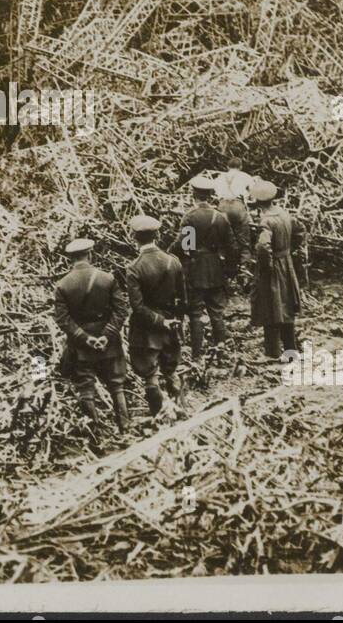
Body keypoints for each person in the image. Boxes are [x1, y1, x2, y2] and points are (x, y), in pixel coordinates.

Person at [53, 237, 130, 439]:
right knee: (116, 385)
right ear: (90, 254)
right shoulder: (108, 278)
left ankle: (96, 436)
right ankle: (125, 429)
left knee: (86, 388)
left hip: (81, 347)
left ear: (70, 259)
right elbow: (121, 311)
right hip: (110, 343)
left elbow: (63, 320)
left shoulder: (62, 285)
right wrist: (106, 335)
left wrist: (85, 338)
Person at [123, 214, 187, 417]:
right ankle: (181, 410)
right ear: (157, 235)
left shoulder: (134, 268)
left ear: (134, 237)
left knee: (150, 375)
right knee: (172, 371)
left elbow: (137, 306)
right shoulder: (173, 261)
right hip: (171, 324)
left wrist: (160, 321)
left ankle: (159, 417)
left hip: (146, 329)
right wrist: (177, 323)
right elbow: (183, 299)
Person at [170, 175, 236, 358]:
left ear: (194, 194)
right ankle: (220, 348)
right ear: (209, 196)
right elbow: (231, 246)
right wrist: (230, 270)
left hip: (196, 270)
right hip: (216, 269)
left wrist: (171, 254)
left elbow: (186, 246)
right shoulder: (221, 217)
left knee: (196, 313)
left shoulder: (191, 217)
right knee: (216, 311)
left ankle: (197, 354)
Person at [249, 180, 303, 360]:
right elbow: (300, 231)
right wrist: (289, 251)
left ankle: (272, 353)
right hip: (286, 263)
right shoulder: (285, 214)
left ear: (257, 202)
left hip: (273, 267)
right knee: (287, 305)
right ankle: (290, 350)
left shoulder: (266, 221)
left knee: (270, 307)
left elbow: (263, 247)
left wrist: (266, 266)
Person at [212, 156, 257, 285]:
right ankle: (244, 274)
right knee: (244, 241)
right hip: (238, 206)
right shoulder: (246, 176)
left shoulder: (219, 178)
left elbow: (214, 194)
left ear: (227, 167)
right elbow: (253, 197)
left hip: (222, 207)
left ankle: (223, 275)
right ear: (241, 166)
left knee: (223, 240)